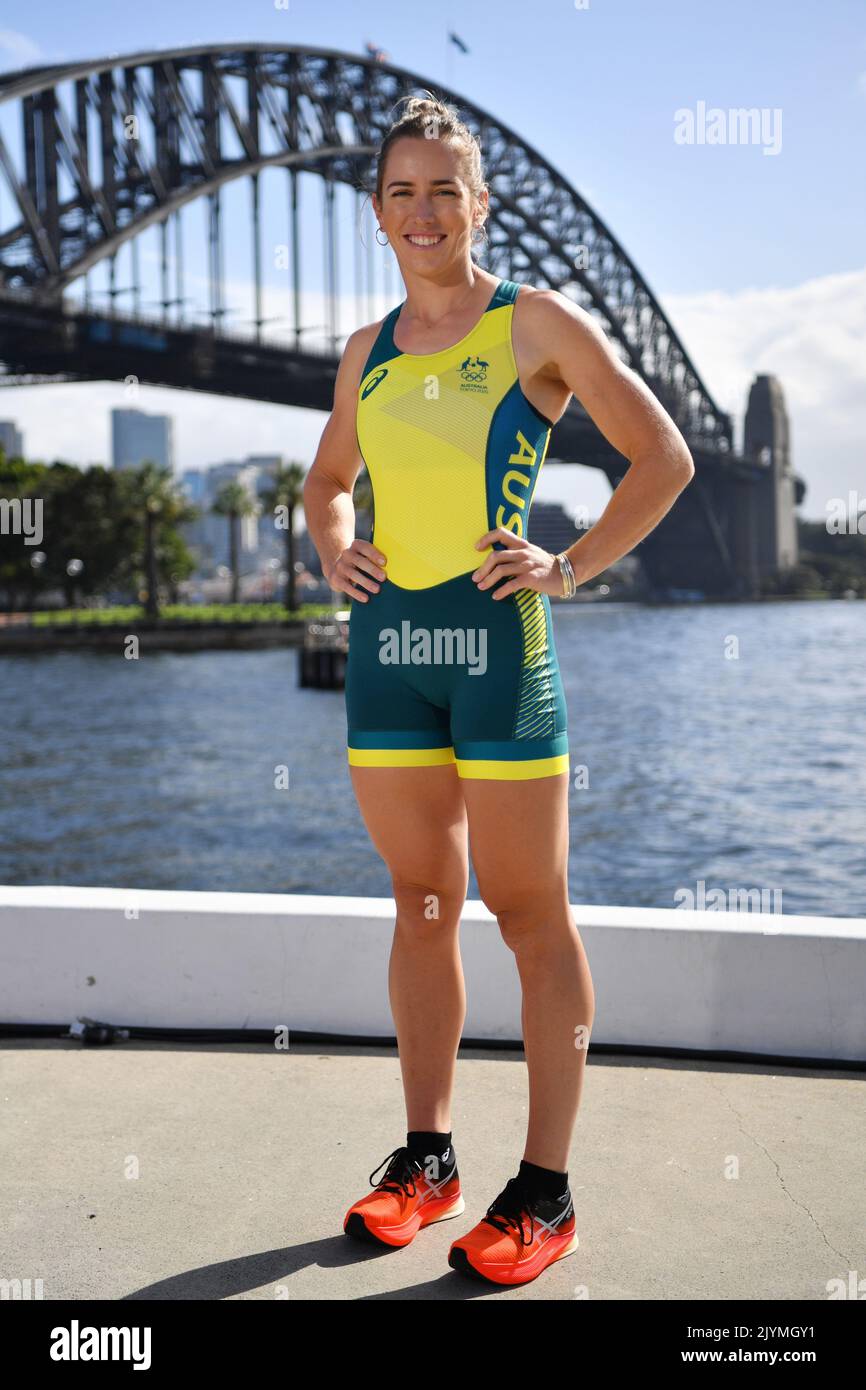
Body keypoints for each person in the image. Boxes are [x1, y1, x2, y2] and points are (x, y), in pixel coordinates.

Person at [303, 91, 694, 1287]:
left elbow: (663, 457)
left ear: (478, 204)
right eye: (401, 191)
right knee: (421, 900)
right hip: (388, 658)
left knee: (528, 913)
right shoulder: (364, 352)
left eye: (444, 190)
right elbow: (326, 480)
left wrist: (567, 567)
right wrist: (334, 547)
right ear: (377, 213)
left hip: (498, 655)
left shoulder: (534, 324)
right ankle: (428, 1161)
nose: (422, 210)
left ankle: (546, 1190)